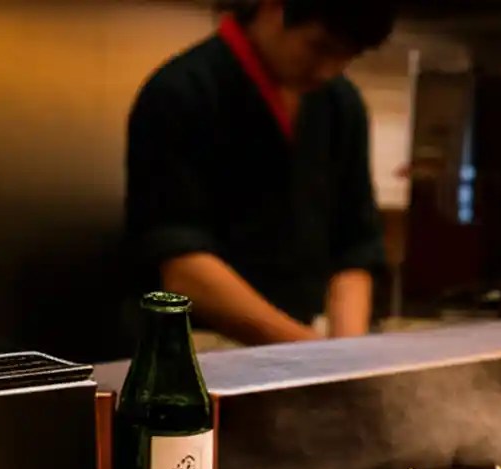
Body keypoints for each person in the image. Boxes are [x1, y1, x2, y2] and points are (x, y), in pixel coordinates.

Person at [125, 0, 396, 347]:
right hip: (190, 346)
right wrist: (310, 352)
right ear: (272, 8)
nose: (328, 71)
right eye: (319, 47)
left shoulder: (341, 102)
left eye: (348, 56)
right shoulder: (181, 91)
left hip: (301, 343)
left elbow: (355, 246)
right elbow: (182, 266)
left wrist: (346, 353)